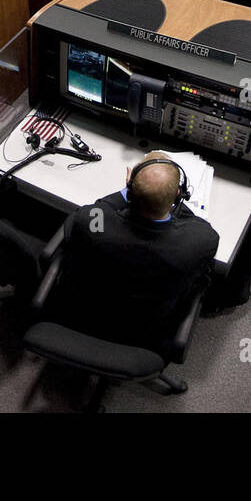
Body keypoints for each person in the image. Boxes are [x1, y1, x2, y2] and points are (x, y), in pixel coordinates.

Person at [51, 151, 219, 352]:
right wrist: (172, 200)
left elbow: (99, 208)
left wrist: (127, 192)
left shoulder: (93, 224)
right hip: (145, 334)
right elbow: (200, 227)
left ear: (129, 186)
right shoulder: (197, 243)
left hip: (85, 315)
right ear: (178, 193)